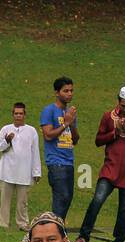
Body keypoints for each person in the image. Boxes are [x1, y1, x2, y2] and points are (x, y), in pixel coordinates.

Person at [74, 86, 125, 242]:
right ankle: (84, 235)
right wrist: (115, 132)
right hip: (110, 167)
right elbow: (98, 140)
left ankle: (119, 240)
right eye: (123, 105)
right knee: (97, 199)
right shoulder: (108, 116)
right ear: (118, 101)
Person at [0, 102, 42, 230]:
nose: (18, 116)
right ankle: (3, 223)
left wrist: (36, 172)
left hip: (24, 172)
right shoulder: (5, 129)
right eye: (16, 113)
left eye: (21, 113)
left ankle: (22, 223)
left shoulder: (31, 131)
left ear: (25, 115)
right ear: (12, 114)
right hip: (7, 171)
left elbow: (35, 151)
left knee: (22, 201)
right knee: (4, 200)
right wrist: (7, 141)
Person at [39, 79, 79, 220]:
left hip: (69, 161)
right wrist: (65, 123)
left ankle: (58, 229)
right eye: (65, 91)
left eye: (71, 90)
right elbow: (48, 135)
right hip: (56, 162)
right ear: (57, 92)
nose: (69, 94)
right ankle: (55, 231)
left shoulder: (69, 113)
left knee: (67, 198)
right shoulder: (49, 110)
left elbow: (75, 140)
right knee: (61, 198)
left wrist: (72, 124)